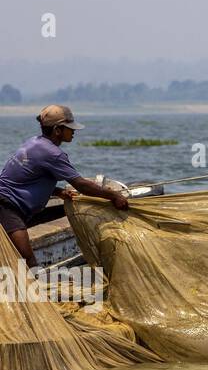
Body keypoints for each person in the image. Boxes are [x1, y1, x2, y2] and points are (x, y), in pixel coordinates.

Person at [0, 105, 129, 266]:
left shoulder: (34, 142)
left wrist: (57, 191)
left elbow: (25, 178)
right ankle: (32, 291)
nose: (74, 131)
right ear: (57, 130)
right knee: (27, 261)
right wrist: (114, 195)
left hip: (7, 204)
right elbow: (81, 185)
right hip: (7, 208)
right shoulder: (53, 154)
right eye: (70, 128)